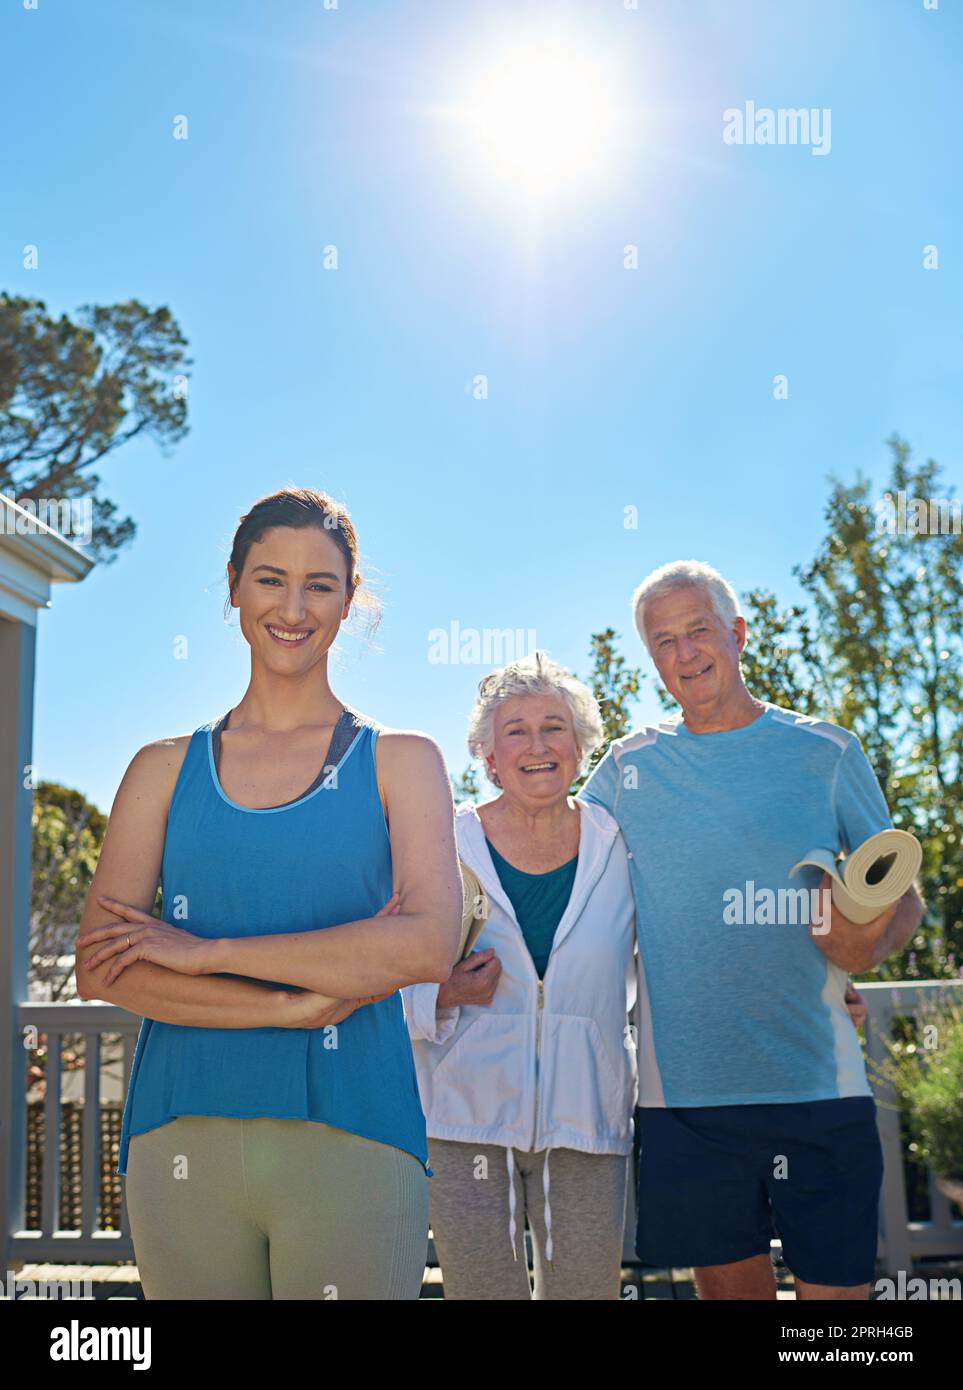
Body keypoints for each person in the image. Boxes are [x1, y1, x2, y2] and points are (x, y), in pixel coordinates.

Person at [75, 487, 462, 1300]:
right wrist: (286, 1005)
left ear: (350, 601)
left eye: (320, 584)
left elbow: (425, 944)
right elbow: (105, 969)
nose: (293, 607)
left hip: (355, 1134)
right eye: (269, 579)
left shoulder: (402, 761)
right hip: (179, 1145)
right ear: (232, 586)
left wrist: (208, 955)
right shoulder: (160, 769)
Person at [578, 559, 924, 1301]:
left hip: (818, 1084)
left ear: (736, 634)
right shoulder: (625, 769)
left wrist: (862, 952)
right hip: (686, 1099)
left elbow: (901, 895)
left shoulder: (824, 753)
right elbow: (554, 860)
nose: (683, 654)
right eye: (662, 642)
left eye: (697, 631)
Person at [403, 652, 638, 1300]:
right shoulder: (441, 845)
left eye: (554, 726)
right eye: (515, 730)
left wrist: (818, 989)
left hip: (587, 1119)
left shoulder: (619, 845)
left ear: (581, 745)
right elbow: (378, 971)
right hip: (463, 1122)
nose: (537, 745)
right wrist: (443, 994)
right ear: (487, 756)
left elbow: (677, 952)